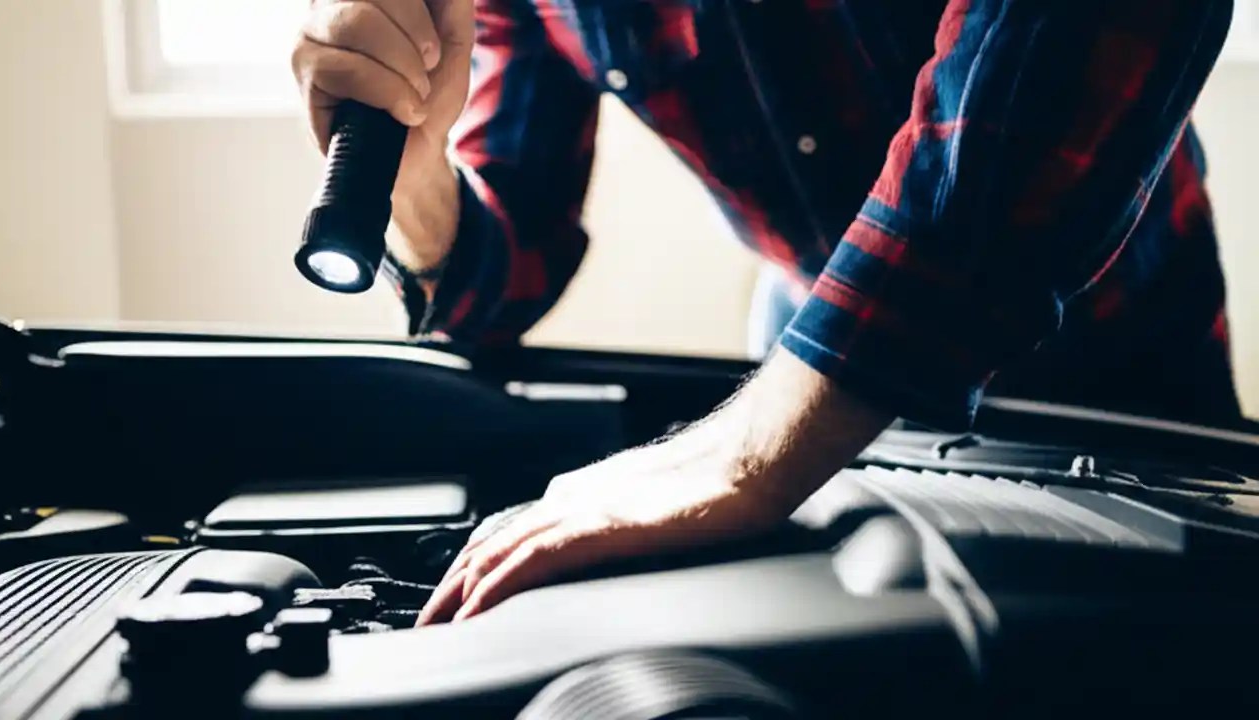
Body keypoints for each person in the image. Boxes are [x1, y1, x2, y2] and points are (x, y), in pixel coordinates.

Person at [290, 0, 1240, 625]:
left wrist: (746, 452)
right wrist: (416, 181)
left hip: (1117, 375)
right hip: (802, 370)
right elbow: (506, 264)